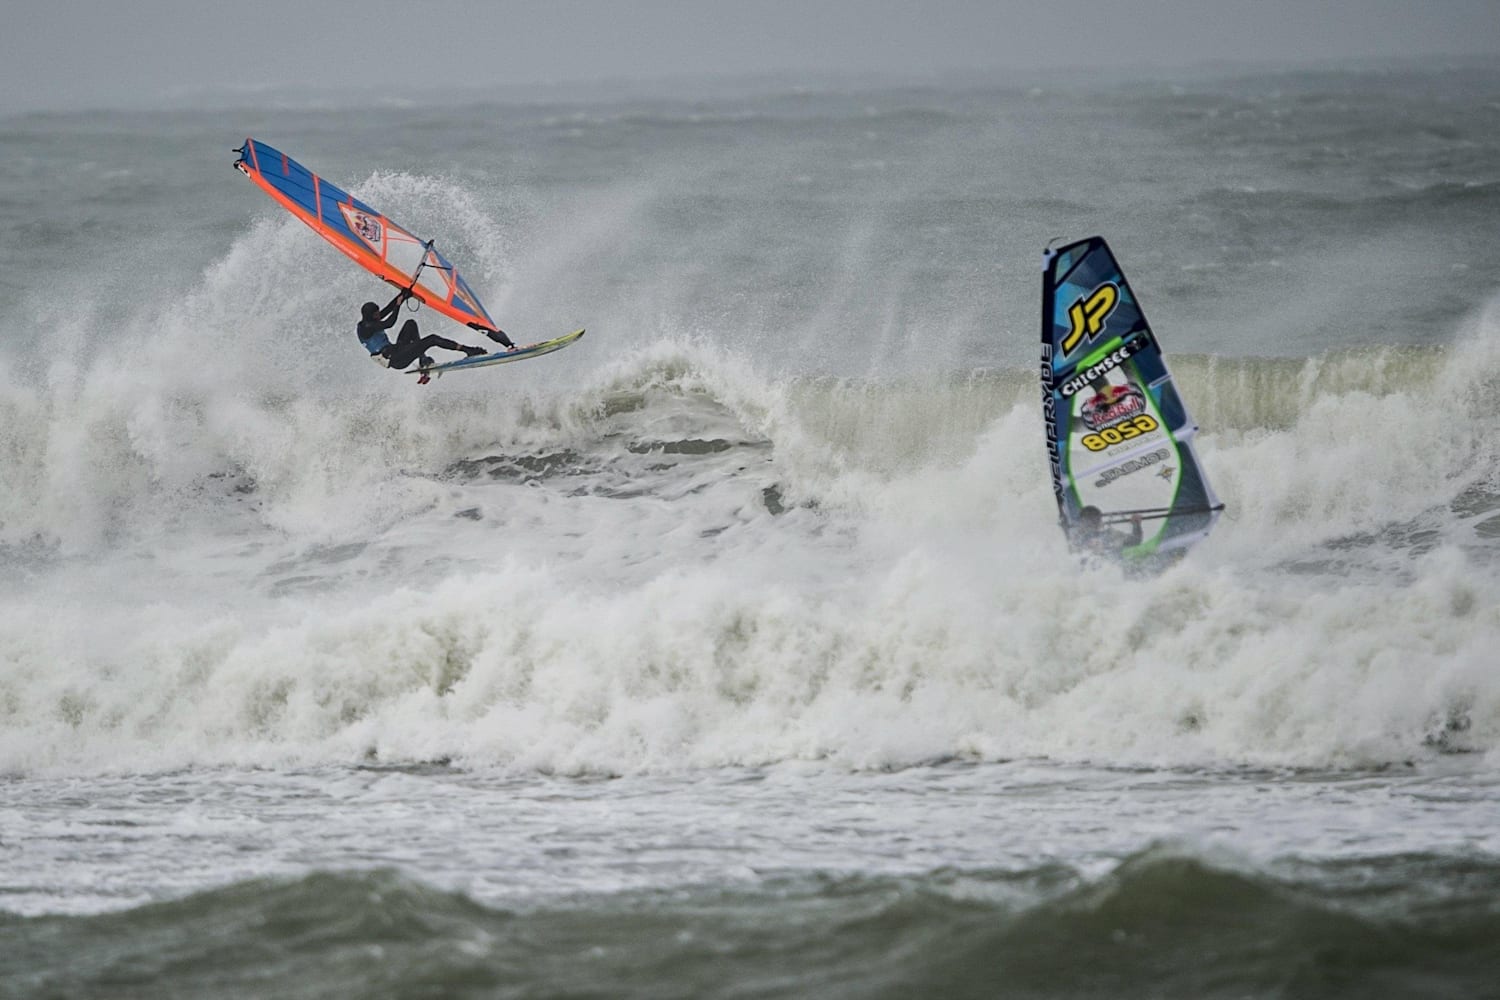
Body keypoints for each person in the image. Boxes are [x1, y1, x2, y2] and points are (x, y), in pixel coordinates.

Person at [357, 289, 512, 375]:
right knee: (432, 339)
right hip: (395, 359)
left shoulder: (371, 321)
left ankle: (423, 359)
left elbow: (387, 310)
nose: (379, 315)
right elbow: (390, 323)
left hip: (397, 351)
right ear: (370, 316)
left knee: (410, 324)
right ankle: (469, 350)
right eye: (377, 314)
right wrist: (398, 305)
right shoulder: (366, 328)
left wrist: (402, 295)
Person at [1073, 505, 1142, 556]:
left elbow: (1135, 541)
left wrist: (1136, 525)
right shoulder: (1111, 533)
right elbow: (1136, 541)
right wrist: (1136, 524)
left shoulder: (1077, 539)